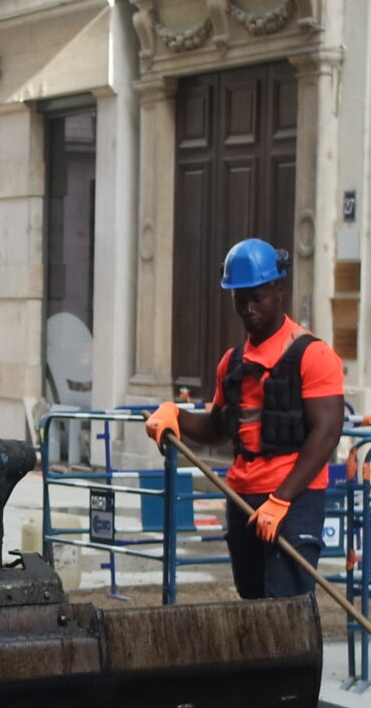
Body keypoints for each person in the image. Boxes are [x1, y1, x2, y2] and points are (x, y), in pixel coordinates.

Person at [144, 239, 347, 601]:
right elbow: (218, 428)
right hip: (242, 498)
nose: (249, 308)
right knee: (252, 607)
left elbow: (327, 433)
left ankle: (297, 663)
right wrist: (175, 414)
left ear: (279, 290)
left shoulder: (313, 355)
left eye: (257, 298)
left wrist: (282, 499)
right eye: (240, 299)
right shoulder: (232, 362)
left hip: (294, 501)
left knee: (289, 613)